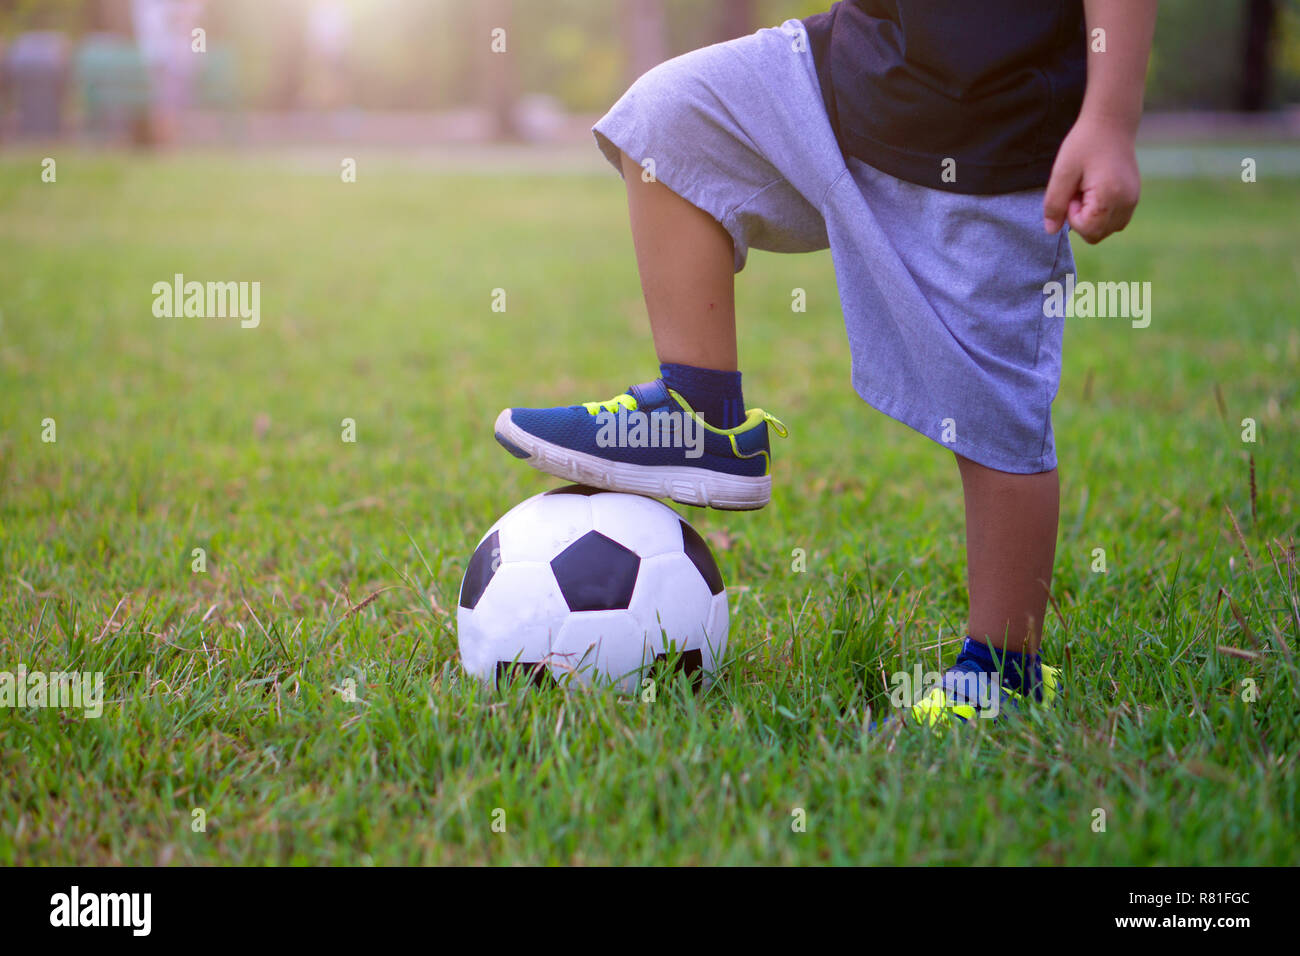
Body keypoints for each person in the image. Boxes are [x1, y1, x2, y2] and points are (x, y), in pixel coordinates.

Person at [492, 1, 1157, 724]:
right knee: (672, 117)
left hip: (994, 132)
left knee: (992, 412)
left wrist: (1111, 118)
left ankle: (1003, 666)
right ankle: (700, 413)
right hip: (848, 77)